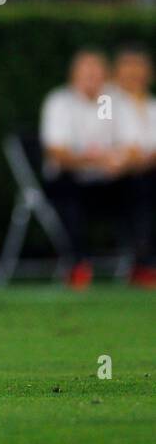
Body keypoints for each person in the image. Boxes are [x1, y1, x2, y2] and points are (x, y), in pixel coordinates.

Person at [40, 48, 151, 288]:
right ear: (74, 76)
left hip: (109, 181)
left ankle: (143, 265)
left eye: (97, 73)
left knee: (143, 186)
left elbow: (133, 145)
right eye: (86, 73)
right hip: (71, 181)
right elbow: (57, 152)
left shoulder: (116, 101)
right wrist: (93, 161)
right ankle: (77, 264)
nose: (92, 79)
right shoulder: (59, 102)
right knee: (66, 191)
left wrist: (120, 163)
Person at [113, 45, 156, 287]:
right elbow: (102, 135)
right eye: (128, 68)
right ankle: (143, 264)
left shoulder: (152, 105)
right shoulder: (107, 100)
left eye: (139, 68)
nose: (134, 74)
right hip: (119, 178)